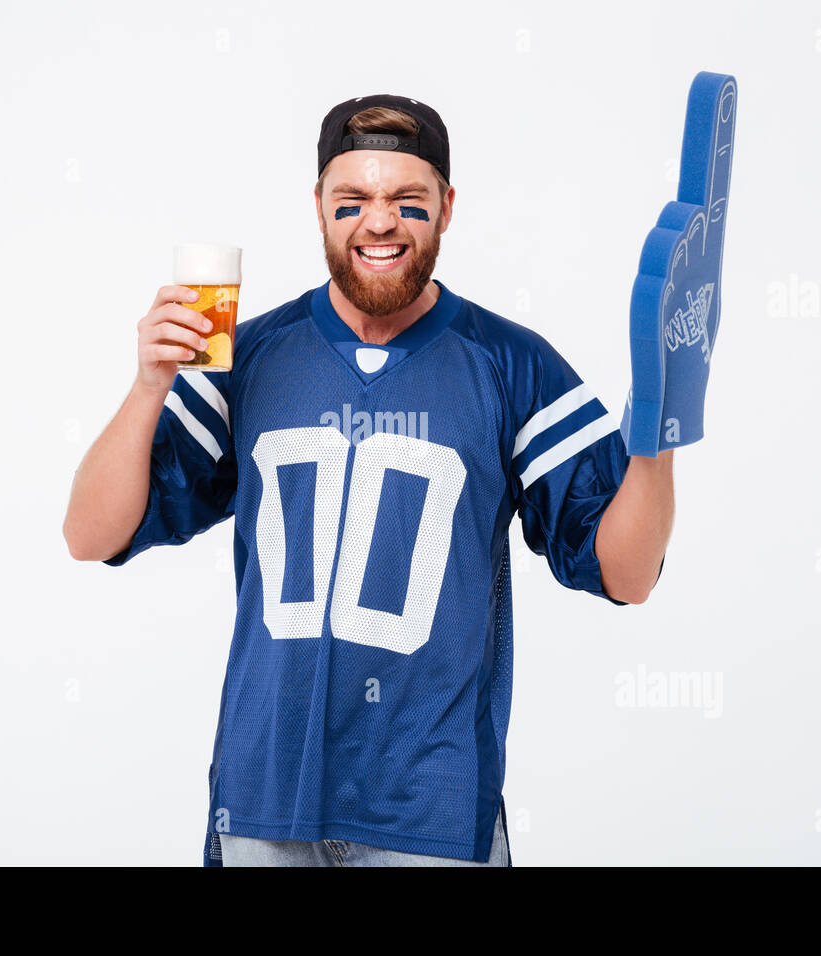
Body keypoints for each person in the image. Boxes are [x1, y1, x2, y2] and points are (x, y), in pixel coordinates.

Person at [62, 94, 674, 867]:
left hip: (432, 812)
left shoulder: (512, 364)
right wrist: (150, 383)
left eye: (406, 201)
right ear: (317, 207)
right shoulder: (246, 357)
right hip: (263, 801)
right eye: (351, 201)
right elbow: (90, 534)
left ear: (447, 208)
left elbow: (628, 574)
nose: (378, 223)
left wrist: (660, 428)